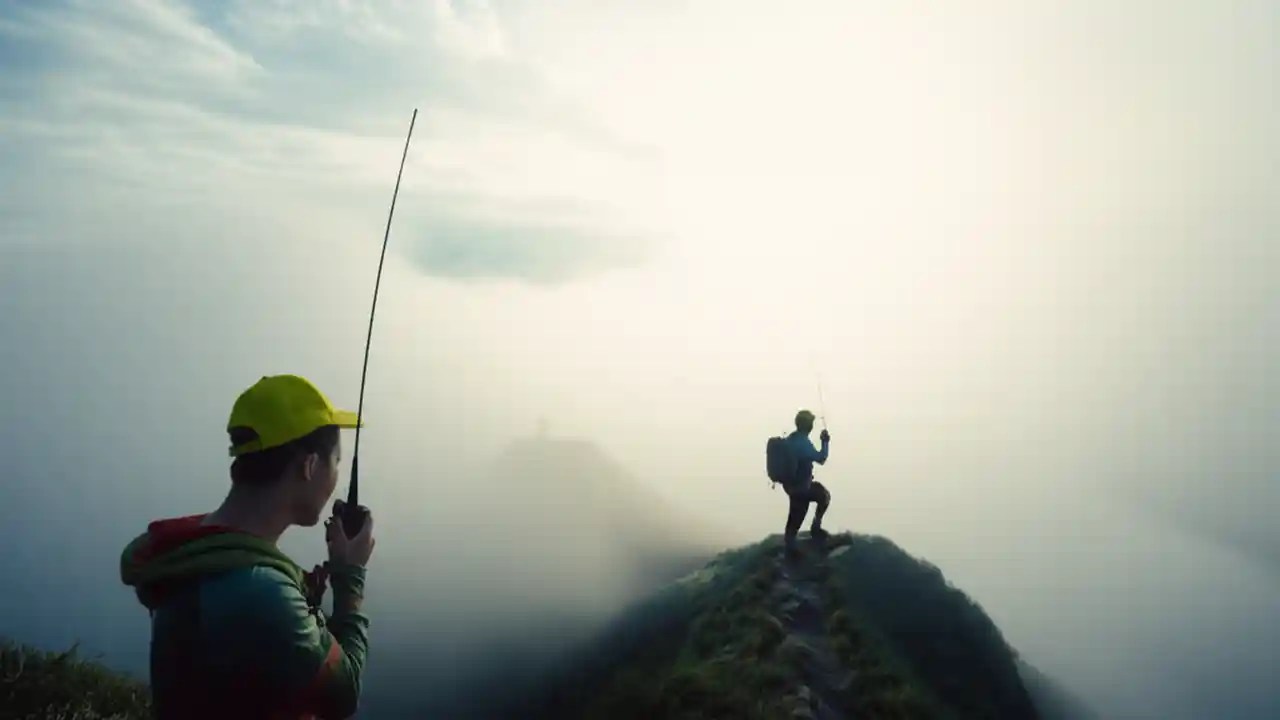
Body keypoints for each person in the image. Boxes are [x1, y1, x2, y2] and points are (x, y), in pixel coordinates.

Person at [119, 374, 376, 720]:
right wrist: (351, 576)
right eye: (336, 462)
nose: (336, 478)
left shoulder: (196, 549)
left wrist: (302, 599)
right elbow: (344, 694)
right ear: (310, 465)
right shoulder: (261, 591)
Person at [783, 409, 831, 556]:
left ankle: (790, 546)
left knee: (794, 520)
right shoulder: (803, 442)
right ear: (807, 425)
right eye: (811, 422)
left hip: (791, 487)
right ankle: (815, 529)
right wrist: (825, 442)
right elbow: (821, 458)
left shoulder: (790, 439)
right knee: (824, 496)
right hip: (802, 489)